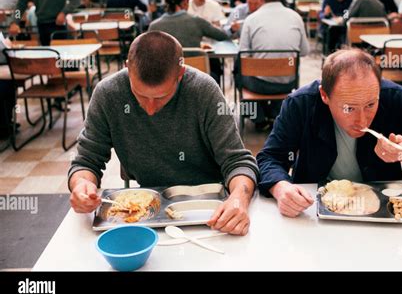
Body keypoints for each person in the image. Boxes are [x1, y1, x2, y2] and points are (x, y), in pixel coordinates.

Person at [68, 31, 259, 236]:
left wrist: (238, 198)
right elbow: (86, 162)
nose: (150, 109)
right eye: (140, 95)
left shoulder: (204, 91)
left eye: (162, 97)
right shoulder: (108, 93)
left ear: (181, 73)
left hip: (210, 207)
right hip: (150, 212)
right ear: (127, 68)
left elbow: (239, 162)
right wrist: (82, 185)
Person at [257, 49, 402, 217]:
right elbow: (270, 158)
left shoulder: (395, 98)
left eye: (370, 105)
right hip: (314, 207)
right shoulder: (301, 104)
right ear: (324, 95)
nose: (362, 120)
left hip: (380, 208)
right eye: (349, 108)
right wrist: (281, 187)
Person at [239, 0, 309, 129]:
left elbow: (243, 56)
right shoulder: (295, 17)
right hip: (288, 83)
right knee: (277, 77)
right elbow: (304, 51)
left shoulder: (251, 20)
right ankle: (277, 114)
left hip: (260, 84)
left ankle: (258, 117)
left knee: (239, 72)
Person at [148, 0, 228, 82]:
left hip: (165, 78)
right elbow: (222, 36)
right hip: (196, 77)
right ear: (186, 1)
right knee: (215, 69)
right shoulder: (197, 21)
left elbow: (150, 55)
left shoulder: (154, 26)